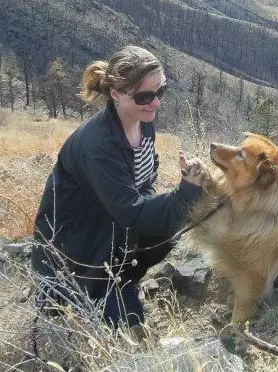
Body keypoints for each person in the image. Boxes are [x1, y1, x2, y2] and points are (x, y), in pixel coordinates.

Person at [31, 45, 204, 328]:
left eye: (160, 91)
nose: (156, 103)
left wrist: (180, 194)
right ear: (115, 94)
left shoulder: (141, 120)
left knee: (171, 224)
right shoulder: (100, 145)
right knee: (129, 325)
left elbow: (142, 185)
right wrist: (185, 192)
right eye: (144, 96)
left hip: (112, 230)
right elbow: (131, 212)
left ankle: (127, 279)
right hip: (76, 251)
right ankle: (86, 298)